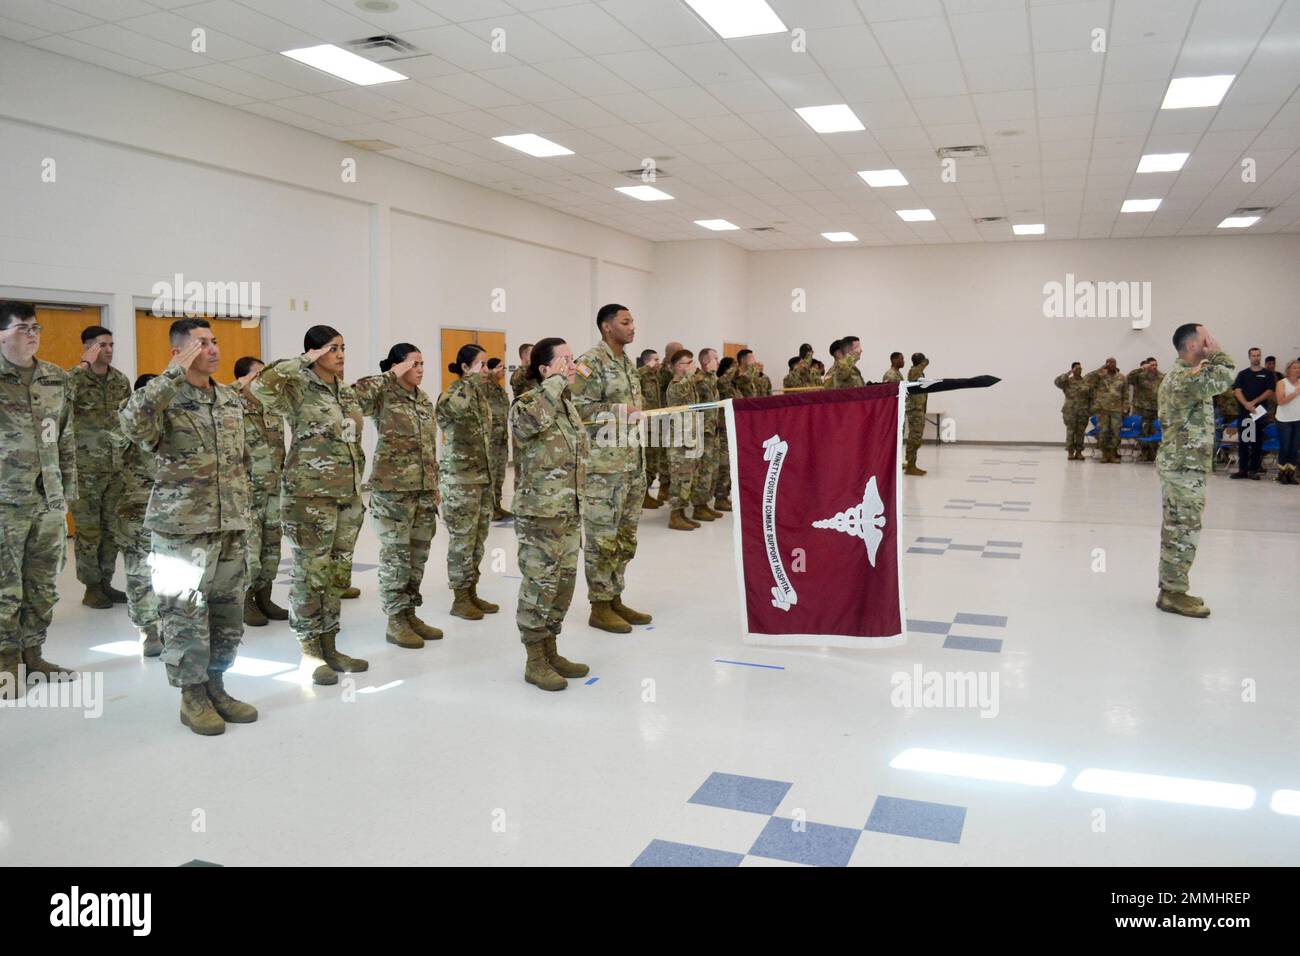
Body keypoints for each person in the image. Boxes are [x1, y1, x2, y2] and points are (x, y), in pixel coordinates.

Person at [120, 319, 256, 735]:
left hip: (229, 524)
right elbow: (131, 422)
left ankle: (216, 686)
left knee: (226, 613)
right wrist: (172, 374)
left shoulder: (229, 399)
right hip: (181, 528)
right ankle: (191, 697)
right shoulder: (164, 398)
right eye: (201, 344)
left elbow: (242, 459)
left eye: (214, 342)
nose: (213, 349)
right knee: (184, 614)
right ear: (179, 352)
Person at [253, 326, 369, 684]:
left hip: (347, 497)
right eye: (332, 348)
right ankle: (309, 652)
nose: (340, 354)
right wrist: (302, 362)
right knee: (309, 575)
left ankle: (330, 644)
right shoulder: (297, 388)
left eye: (343, 348)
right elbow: (261, 385)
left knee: (335, 575)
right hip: (310, 498)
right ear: (313, 352)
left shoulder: (345, 392)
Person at [0, 301, 78, 699]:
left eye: (36, 328)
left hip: (47, 499)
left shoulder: (54, 378)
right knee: (4, 587)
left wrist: (67, 493)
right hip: (4, 501)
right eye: (22, 328)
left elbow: (65, 438)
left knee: (44, 583)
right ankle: (5, 663)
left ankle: (34, 654)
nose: (32, 334)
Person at [510, 337, 591, 692]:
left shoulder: (566, 407)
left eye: (573, 359)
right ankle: (534, 658)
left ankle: (551, 647)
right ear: (544, 370)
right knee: (539, 585)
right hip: (540, 514)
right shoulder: (527, 404)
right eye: (564, 361)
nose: (571, 366)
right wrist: (554, 383)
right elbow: (529, 426)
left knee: (563, 584)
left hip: (569, 512)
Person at [352, 343, 443, 648]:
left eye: (422, 363)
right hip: (393, 492)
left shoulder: (424, 399)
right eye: (413, 364)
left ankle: (409, 612)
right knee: (396, 558)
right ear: (398, 366)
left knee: (418, 555)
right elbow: (351, 397)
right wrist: (390, 375)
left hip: (423, 491)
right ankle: (394, 620)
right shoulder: (383, 394)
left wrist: (435, 485)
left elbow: (429, 447)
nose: (420, 369)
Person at [571, 304, 651, 634]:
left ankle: (615, 596)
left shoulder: (626, 363)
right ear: (607, 327)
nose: (633, 327)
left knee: (624, 537)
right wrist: (618, 409)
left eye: (632, 321)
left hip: (632, 463)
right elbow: (578, 407)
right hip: (604, 468)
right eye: (625, 322)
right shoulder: (591, 363)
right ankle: (599, 606)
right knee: (602, 538)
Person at [1156, 324, 1235, 617]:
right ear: (1192, 347)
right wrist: (1219, 355)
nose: (1211, 341)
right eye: (1206, 339)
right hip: (1182, 470)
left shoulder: (1186, 377)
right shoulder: (1183, 379)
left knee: (1179, 529)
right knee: (1183, 530)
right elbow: (1224, 377)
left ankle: (1171, 588)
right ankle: (1173, 594)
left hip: (1184, 468)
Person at [67, 324, 131, 609]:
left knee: (111, 530)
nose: (108, 350)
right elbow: (56, 398)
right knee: (89, 531)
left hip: (116, 467)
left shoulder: (120, 380)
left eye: (111, 345)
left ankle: (106, 582)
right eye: (102, 345)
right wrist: (83, 365)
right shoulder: (75, 379)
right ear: (89, 347)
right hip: (85, 468)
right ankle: (91, 587)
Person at [434, 343, 498, 621]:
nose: (486, 371)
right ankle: (459, 598)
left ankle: (471, 591)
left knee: (478, 540)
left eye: (486, 365)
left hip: (481, 479)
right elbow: (455, 412)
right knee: (462, 540)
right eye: (480, 365)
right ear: (464, 368)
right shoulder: (452, 394)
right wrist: (469, 382)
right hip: (459, 481)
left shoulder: (481, 397)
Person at [233, 357, 288, 628]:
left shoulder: (272, 409)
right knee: (250, 551)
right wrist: (238, 386)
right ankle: (245, 601)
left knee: (271, 550)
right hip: (247, 493)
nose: (263, 381)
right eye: (257, 376)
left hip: (274, 491)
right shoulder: (231, 406)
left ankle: (264, 597)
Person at [110, 374, 161, 656]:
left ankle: (169, 625)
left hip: (171, 510)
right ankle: (148, 629)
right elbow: (119, 446)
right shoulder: (126, 421)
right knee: (140, 572)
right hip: (135, 509)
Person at [664, 349, 701, 532]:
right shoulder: (676, 385)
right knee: (679, 479)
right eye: (688, 363)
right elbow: (679, 398)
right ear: (678, 367)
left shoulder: (688, 384)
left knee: (688, 478)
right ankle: (675, 516)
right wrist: (689, 376)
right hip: (678, 442)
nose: (692, 366)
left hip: (689, 439)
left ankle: (682, 513)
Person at [690, 348, 724, 525]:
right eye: (715, 359)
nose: (718, 362)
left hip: (713, 429)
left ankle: (706, 502)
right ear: (705, 362)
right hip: (703, 431)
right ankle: (698, 505)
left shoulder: (712, 379)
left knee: (713, 468)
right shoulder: (700, 381)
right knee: (704, 469)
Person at [1231, 347, 1274, 480]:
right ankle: (1242, 470)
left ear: (1260, 357)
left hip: (1259, 413)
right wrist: (1246, 404)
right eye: (1253, 355)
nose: (1256, 357)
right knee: (1244, 441)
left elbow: (1270, 391)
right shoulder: (1243, 374)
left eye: (1258, 355)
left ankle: (1253, 470)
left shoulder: (1267, 373)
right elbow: (1237, 390)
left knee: (1257, 442)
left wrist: (1254, 402)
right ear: (1249, 357)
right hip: (1245, 413)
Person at [480, 357, 511, 519]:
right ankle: (488, 508)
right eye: (499, 367)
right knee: (490, 474)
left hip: (501, 438)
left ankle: (497, 505)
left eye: (504, 367)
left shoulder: (499, 389)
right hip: (490, 439)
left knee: (499, 474)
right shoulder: (485, 387)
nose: (503, 370)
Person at [656, 340, 683, 505]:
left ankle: (670, 488)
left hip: (677, 419)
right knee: (664, 456)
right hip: (664, 418)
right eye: (677, 352)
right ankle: (664, 487)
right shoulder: (664, 370)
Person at [1085, 357, 1127, 463]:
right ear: (1106, 364)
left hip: (1116, 409)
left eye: (1113, 363)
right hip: (1102, 409)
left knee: (1115, 432)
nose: (1111, 364)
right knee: (1103, 432)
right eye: (1109, 363)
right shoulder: (1100, 376)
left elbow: (1125, 394)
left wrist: (1125, 408)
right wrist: (1100, 369)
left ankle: (1112, 454)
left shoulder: (1121, 377)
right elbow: (1086, 379)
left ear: (1116, 364)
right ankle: (1104, 454)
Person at [637, 349, 663, 509]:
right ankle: (643, 495)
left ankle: (648, 493)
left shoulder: (656, 376)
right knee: (645, 462)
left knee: (654, 462)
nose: (658, 362)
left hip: (656, 424)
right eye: (655, 359)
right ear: (647, 361)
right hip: (644, 426)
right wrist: (647, 367)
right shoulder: (640, 374)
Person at [1127, 357, 1164, 462]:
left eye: (1156, 365)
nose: (1154, 367)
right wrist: (1141, 369)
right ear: (1146, 365)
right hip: (1141, 409)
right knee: (1143, 432)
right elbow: (1128, 378)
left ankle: (1153, 454)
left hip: (1155, 409)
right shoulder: (1139, 376)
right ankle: (1143, 453)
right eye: (1152, 365)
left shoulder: (1161, 376)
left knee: (1154, 431)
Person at [1054, 362, 1091, 460]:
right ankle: (1070, 452)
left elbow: (1092, 396)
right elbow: (1057, 382)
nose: (1079, 370)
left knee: (1080, 432)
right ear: (1073, 369)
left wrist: (1090, 409)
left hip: (1083, 411)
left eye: (1080, 368)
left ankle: (1079, 452)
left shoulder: (1086, 382)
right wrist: (1069, 373)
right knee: (1070, 432)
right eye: (1077, 368)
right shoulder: (1067, 382)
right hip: (1070, 411)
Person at [712, 356, 735, 511]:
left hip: (733, 427)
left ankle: (725, 494)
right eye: (733, 366)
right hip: (723, 428)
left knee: (732, 464)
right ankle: (720, 496)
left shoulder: (734, 384)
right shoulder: (721, 382)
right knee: (724, 464)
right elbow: (723, 383)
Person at [1274, 358, 1300, 484]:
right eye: (1294, 367)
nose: (1297, 370)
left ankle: (1291, 473)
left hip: (1298, 419)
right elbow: (1280, 401)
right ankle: (1282, 473)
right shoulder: (1281, 383)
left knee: (1294, 448)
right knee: (1285, 446)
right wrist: (1295, 393)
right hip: (1284, 419)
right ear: (1289, 369)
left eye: (1299, 368)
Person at [905, 352, 929, 476]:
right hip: (915, 410)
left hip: (918, 409)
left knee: (915, 437)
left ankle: (911, 463)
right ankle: (910, 465)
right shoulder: (915, 371)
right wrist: (925, 361)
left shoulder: (917, 371)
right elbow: (925, 363)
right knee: (914, 438)